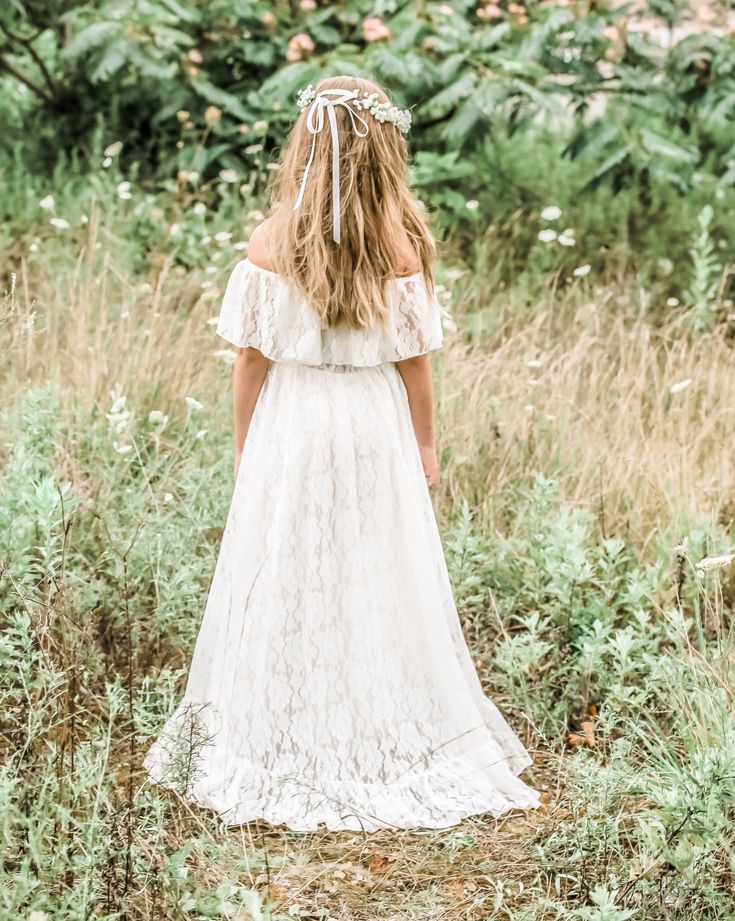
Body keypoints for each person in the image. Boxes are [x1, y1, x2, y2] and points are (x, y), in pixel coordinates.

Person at [143, 75, 541, 832]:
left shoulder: (271, 239)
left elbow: (250, 360)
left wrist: (244, 447)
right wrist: (424, 441)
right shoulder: (399, 241)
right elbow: (414, 360)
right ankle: (372, 709)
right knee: (372, 567)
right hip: (369, 422)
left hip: (293, 420)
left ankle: (284, 718)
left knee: (289, 565)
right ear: (384, 149)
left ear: (306, 145)